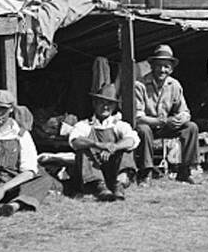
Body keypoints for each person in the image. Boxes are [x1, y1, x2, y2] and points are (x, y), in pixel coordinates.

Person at [133, 45, 200, 185]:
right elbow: (138, 116)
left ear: (171, 69)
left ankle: (185, 170)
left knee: (191, 127)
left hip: (165, 126)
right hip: (148, 127)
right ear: (152, 66)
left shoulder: (174, 85)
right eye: (159, 66)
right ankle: (146, 172)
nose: (162, 70)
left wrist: (181, 118)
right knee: (143, 129)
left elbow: (185, 111)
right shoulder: (140, 85)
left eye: (166, 67)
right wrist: (160, 121)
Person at [65, 85, 138, 201]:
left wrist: (114, 147)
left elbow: (132, 140)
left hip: (113, 168)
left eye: (109, 104)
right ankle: (98, 186)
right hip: (93, 168)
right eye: (101, 103)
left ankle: (119, 185)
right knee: (83, 149)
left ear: (114, 106)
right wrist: (98, 145)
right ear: (95, 104)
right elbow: (75, 141)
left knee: (127, 149)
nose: (105, 107)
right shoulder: (85, 124)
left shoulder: (119, 124)